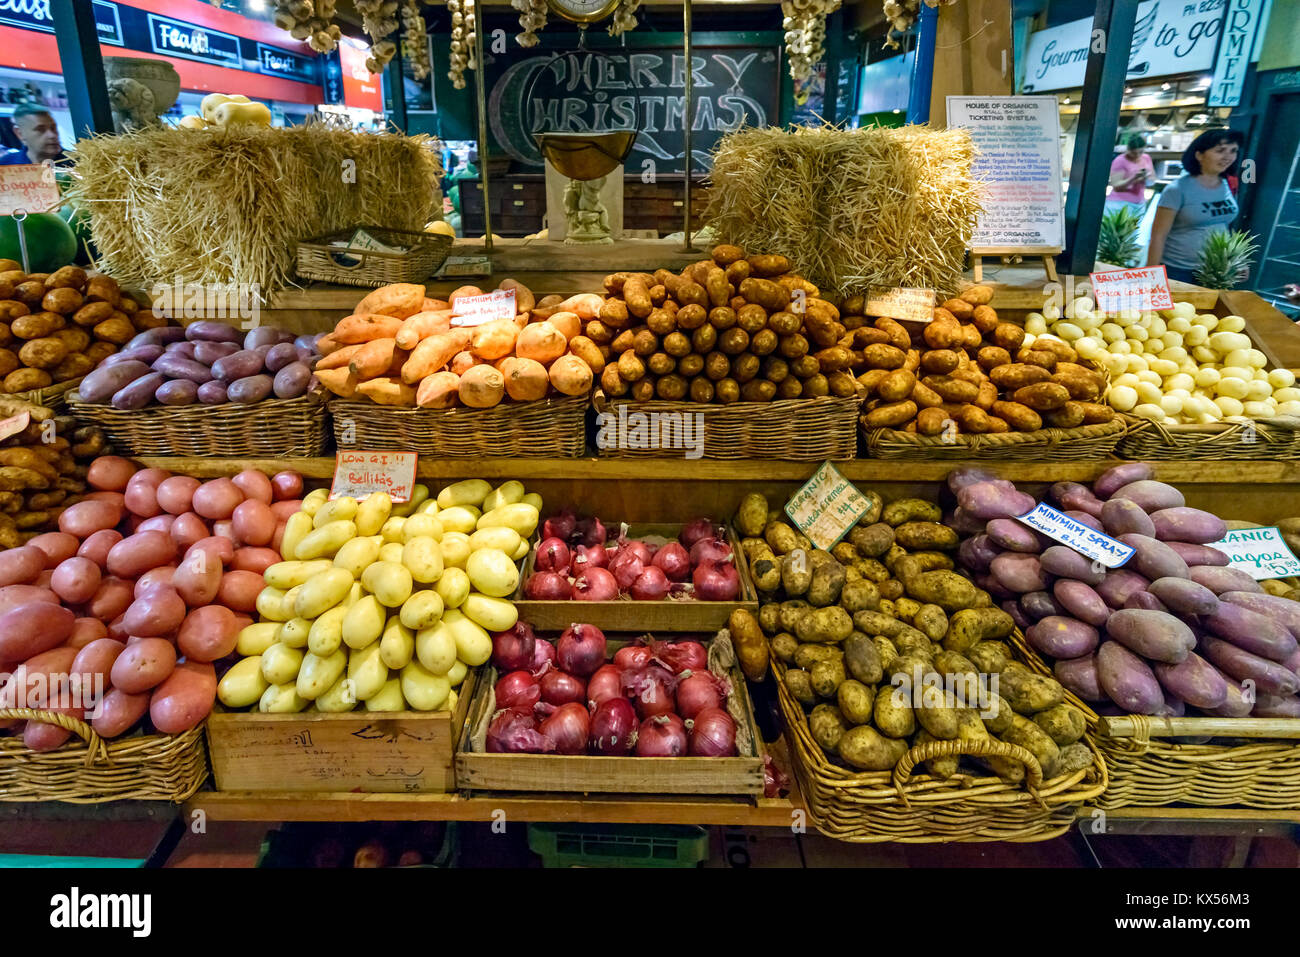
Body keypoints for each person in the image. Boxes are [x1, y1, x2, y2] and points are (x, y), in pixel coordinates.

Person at [1146, 128, 1246, 285]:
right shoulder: (1177, 189)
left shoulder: (1227, 184)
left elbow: (1223, 224)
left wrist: (1237, 259)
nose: (1228, 157)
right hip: (1177, 270)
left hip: (1214, 270)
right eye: (1220, 151)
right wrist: (1151, 275)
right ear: (1199, 155)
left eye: (1233, 151)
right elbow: (1158, 236)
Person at [0, 104, 67, 166]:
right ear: (20, 134)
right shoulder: (6, 164)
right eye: (41, 129)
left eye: (53, 128)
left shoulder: (74, 163)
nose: (52, 135)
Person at [1106, 134, 1154, 214]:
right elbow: (1116, 186)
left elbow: (1152, 179)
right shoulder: (1120, 161)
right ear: (1128, 149)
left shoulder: (1146, 158)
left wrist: (1147, 177)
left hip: (1139, 204)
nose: (1137, 156)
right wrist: (1133, 178)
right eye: (1134, 153)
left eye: (1140, 152)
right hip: (1119, 204)